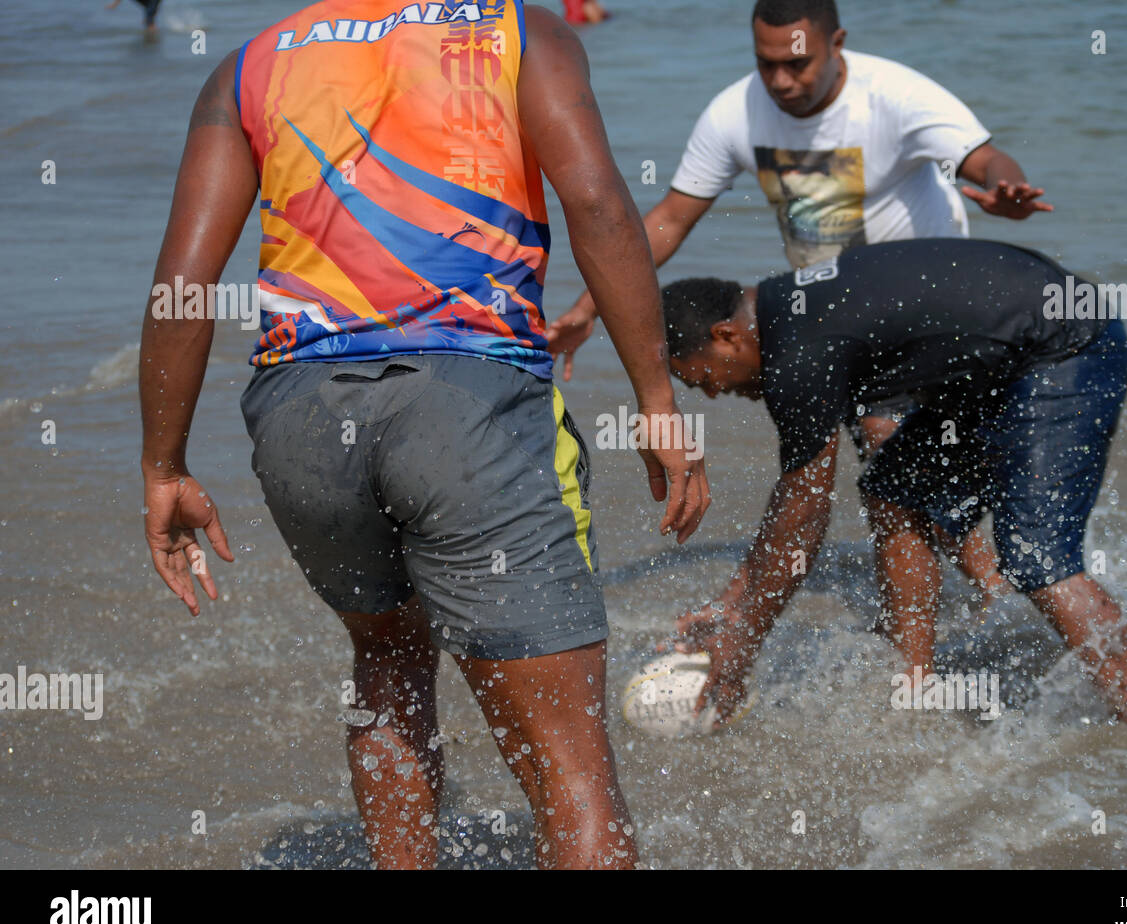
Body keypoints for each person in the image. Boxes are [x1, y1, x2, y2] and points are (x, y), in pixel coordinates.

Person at [138, 0, 709, 870]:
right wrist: (657, 398)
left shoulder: (252, 62)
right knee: (573, 773)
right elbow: (596, 200)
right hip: (467, 402)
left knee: (388, 660)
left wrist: (164, 463)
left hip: (299, 413)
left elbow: (182, 282)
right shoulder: (524, 31)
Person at [547, 0, 1051, 604]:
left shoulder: (893, 94)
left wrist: (1005, 188)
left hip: (928, 319)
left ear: (836, 41)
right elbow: (672, 218)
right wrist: (588, 307)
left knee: (896, 459)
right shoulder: (736, 113)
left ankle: (977, 600)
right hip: (835, 326)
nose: (782, 82)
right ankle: (969, 605)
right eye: (767, 66)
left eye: (798, 65)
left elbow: (985, 159)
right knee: (896, 476)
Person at [661, 239, 1127, 730]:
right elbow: (793, 512)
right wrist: (734, 603)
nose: (714, 392)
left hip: (1067, 345)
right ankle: (915, 685)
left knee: (1035, 555)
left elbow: (804, 515)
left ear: (727, 335)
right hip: (1004, 356)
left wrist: (740, 646)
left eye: (702, 376)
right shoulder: (788, 311)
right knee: (894, 493)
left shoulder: (798, 353)